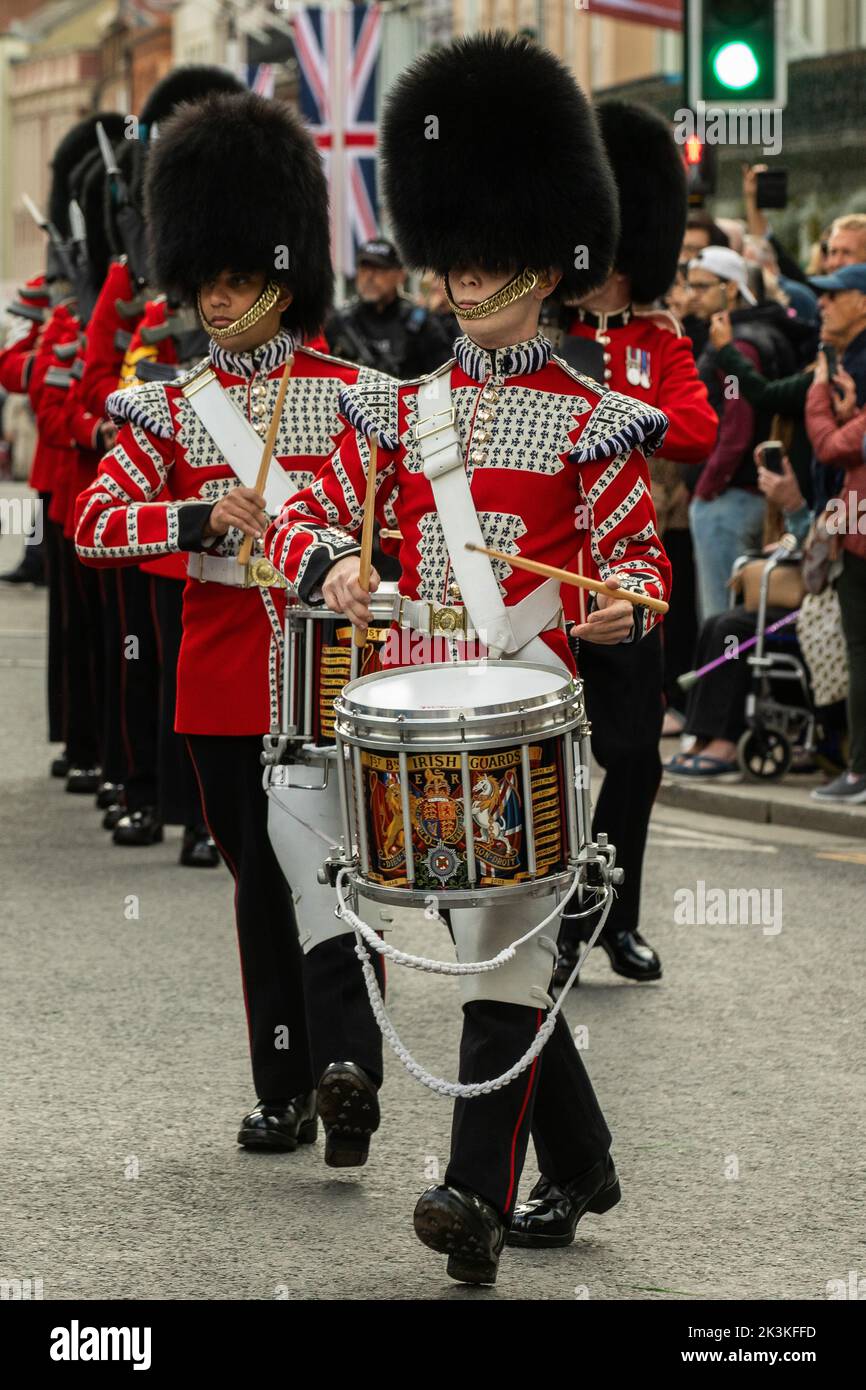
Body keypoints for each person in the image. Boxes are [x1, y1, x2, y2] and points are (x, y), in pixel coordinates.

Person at [266, 32, 671, 1286]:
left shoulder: (598, 425)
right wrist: (331, 558)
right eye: (461, 253)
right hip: (415, 721)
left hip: (531, 725)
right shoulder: (390, 408)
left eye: (498, 256)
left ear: (548, 269)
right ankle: (583, 1163)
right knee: (511, 954)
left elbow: (640, 570)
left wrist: (626, 613)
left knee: (503, 952)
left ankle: (466, 1202)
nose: (471, 274)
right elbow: (298, 513)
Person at [75, 91, 390, 1159]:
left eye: (239, 277)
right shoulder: (163, 405)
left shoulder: (354, 394)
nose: (217, 297)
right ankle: (287, 1082)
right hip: (219, 674)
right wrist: (194, 516)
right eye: (205, 278)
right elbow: (93, 525)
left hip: (333, 666)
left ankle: (351, 1065)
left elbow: (387, 528)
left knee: (338, 868)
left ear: (281, 277)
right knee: (258, 881)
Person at [553, 100, 718, 986]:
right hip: (548, 580)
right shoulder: (547, 339)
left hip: (627, 577)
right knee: (539, 754)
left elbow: (694, 427)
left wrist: (622, 412)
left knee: (633, 757)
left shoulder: (660, 343)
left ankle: (611, 915)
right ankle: (537, 918)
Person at [688, 245, 797, 618]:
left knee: (721, 617)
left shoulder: (739, 343)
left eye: (703, 286)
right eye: (691, 285)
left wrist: (708, 488)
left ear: (730, 288)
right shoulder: (759, 330)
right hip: (752, 496)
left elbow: (738, 424)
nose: (692, 295)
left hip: (730, 499)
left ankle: (720, 678)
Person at [805, 326, 866, 803]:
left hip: (860, 543)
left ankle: (860, 770)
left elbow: (828, 445)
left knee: (860, 655)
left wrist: (820, 391)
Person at [325, 238, 452, 378]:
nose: (369, 277)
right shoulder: (339, 322)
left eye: (379, 269)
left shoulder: (421, 322)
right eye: (364, 268)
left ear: (400, 275)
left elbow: (443, 376)